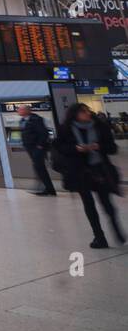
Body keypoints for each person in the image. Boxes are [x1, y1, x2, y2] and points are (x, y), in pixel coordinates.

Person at [53, 103, 126, 249]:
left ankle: (117, 231)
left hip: (99, 169)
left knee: (106, 202)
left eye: (88, 111)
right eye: (83, 112)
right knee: (89, 204)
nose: (88, 114)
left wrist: (99, 147)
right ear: (75, 115)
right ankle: (99, 237)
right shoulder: (65, 129)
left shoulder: (100, 127)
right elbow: (60, 148)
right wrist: (76, 148)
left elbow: (112, 148)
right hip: (79, 171)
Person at [18, 104, 57, 196]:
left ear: (27, 111)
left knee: (40, 168)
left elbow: (44, 133)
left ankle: (49, 189)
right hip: (30, 148)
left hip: (37, 148)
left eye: (20, 110)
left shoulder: (36, 120)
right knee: (38, 168)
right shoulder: (22, 121)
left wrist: (40, 146)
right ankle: (46, 188)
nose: (18, 111)